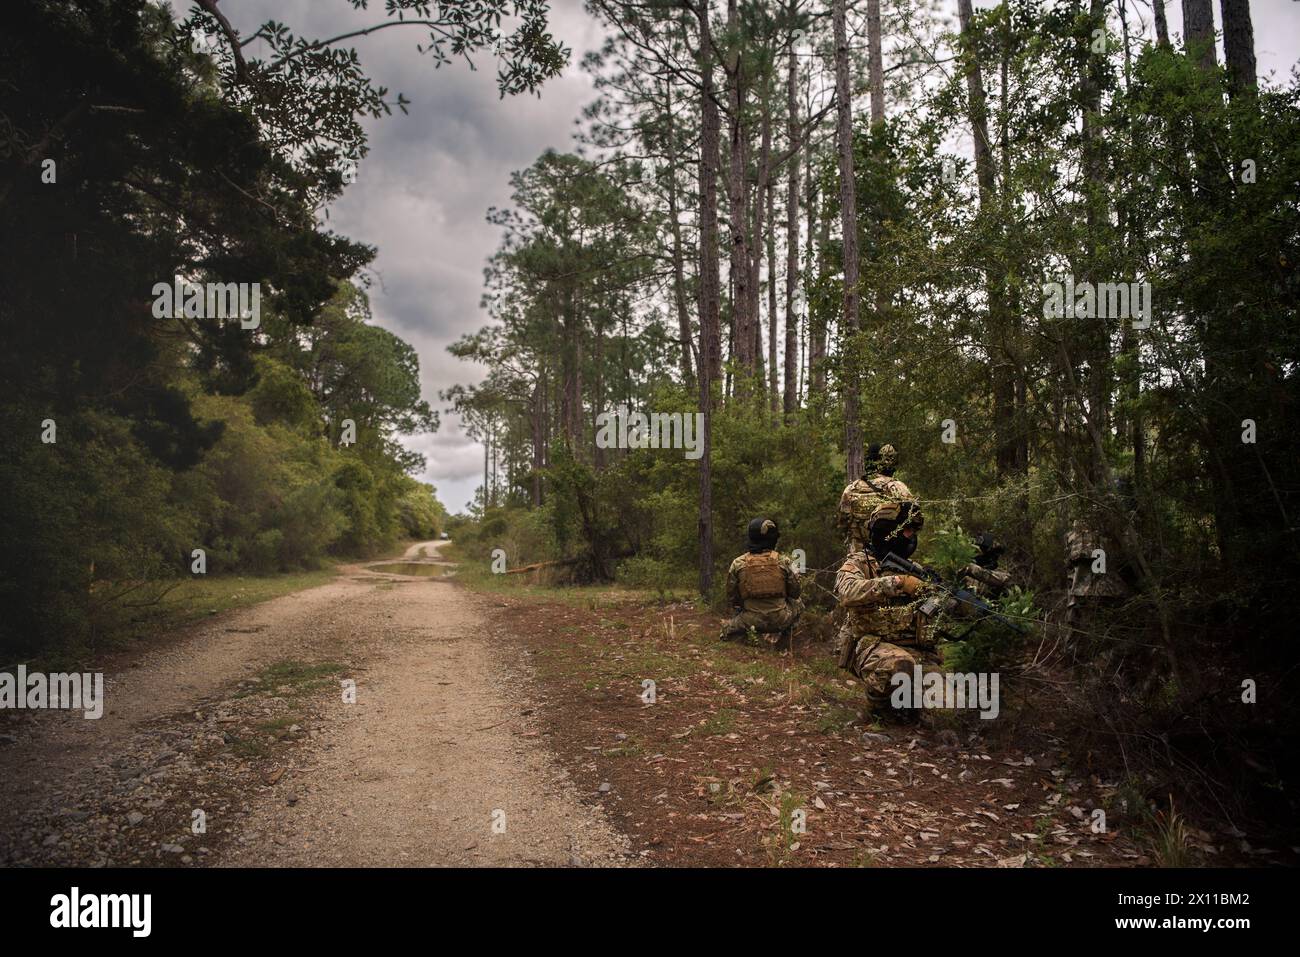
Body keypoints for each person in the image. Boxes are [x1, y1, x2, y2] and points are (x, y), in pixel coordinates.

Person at [833, 500, 935, 718]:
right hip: (871, 646)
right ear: (888, 532)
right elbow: (848, 592)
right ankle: (878, 710)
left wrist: (943, 600)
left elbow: (932, 612)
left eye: (914, 531)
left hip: (914, 647)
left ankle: (909, 710)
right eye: (907, 530)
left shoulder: (915, 570)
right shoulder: (860, 563)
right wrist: (895, 583)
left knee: (949, 691)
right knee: (900, 665)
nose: (911, 536)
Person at [719, 518, 803, 645]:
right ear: (773, 539)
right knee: (798, 603)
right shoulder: (784, 561)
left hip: (749, 620)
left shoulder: (738, 563)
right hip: (781, 619)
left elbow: (731, 596)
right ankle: (785, 642)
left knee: (726, 631)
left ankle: (749, 638)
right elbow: (795, 593)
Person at [836, 443, 915, 552]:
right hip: (890, 553)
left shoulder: (851, 489)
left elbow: (843, 523)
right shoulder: (897, 487)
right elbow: (915, 517)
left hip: (858, 552)